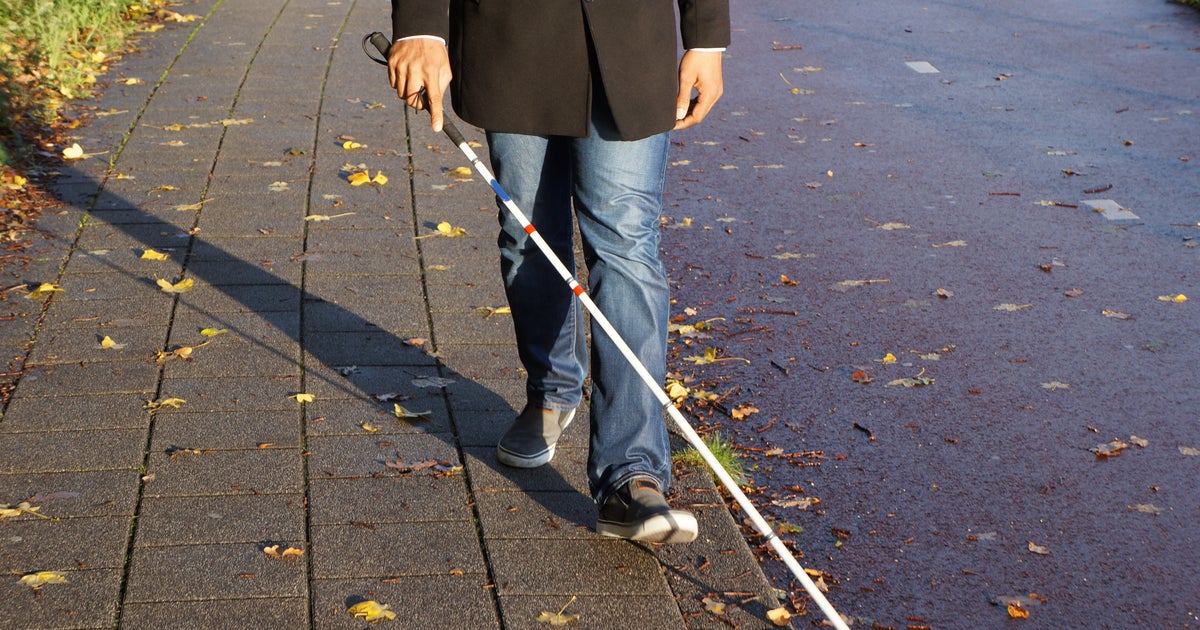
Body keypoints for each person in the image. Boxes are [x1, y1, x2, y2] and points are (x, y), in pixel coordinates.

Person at [388, 0, 729, 543]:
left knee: (627, 251)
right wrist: (421, 26)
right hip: (512, 39)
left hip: (631, 47)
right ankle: (551, 387)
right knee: (529, 241)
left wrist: (706, 38)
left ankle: (631, 475)